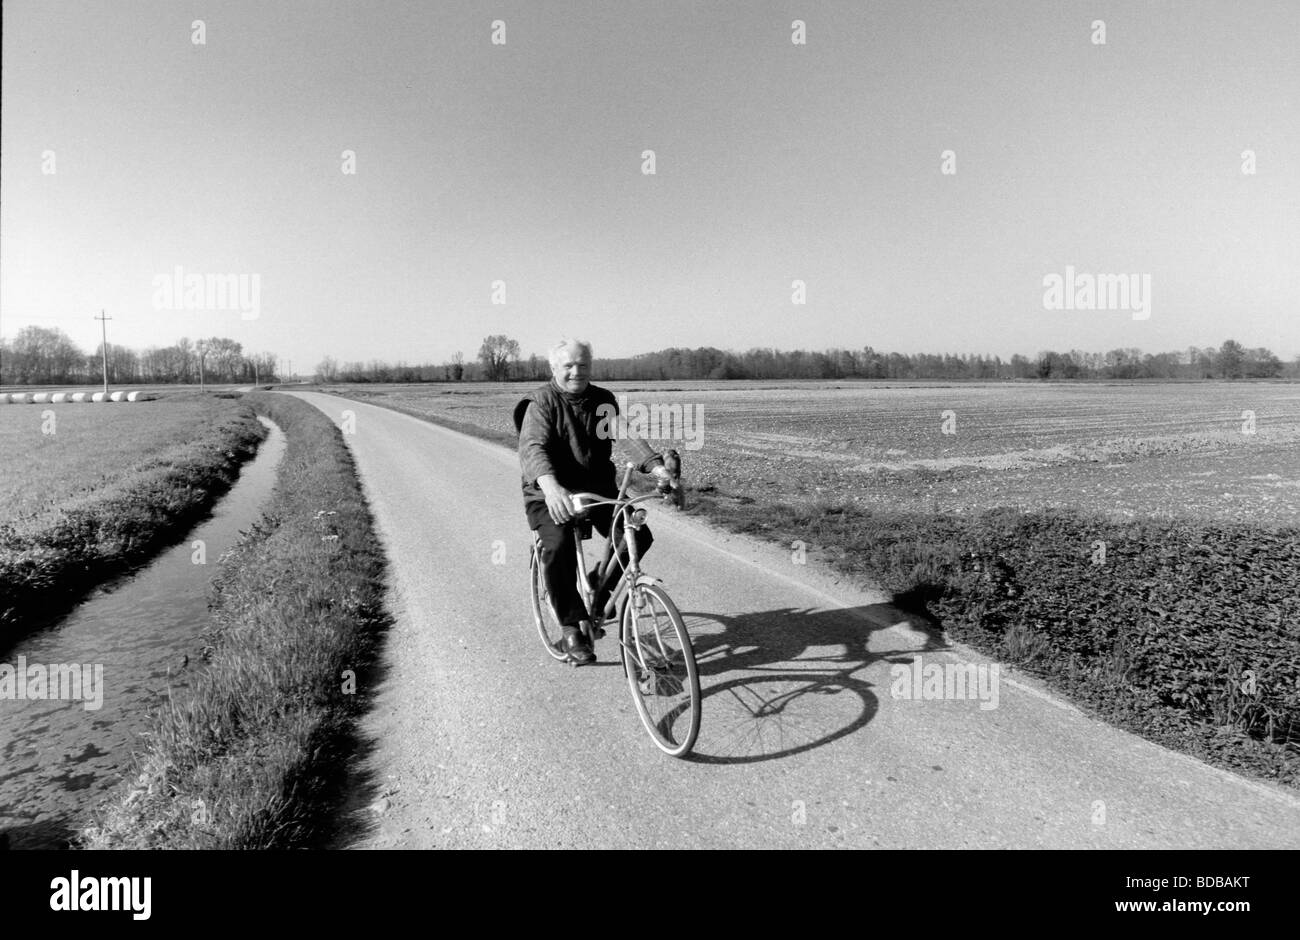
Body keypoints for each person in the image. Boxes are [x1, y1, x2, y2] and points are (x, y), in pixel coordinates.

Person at [514, 339, 674, 665]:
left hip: (596, 488)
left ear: (591, 365)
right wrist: (550, 486)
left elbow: (624, 434)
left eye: (583, 364)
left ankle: (599, 593)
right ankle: (571, 627)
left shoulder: (602, 400)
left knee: (637, 534)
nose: (576, 371)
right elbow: (533, 449)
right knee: (557, 546)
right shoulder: (541, 403)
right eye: (568, 366)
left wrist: (657, 467)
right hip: (549, 491)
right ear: (554, 369)